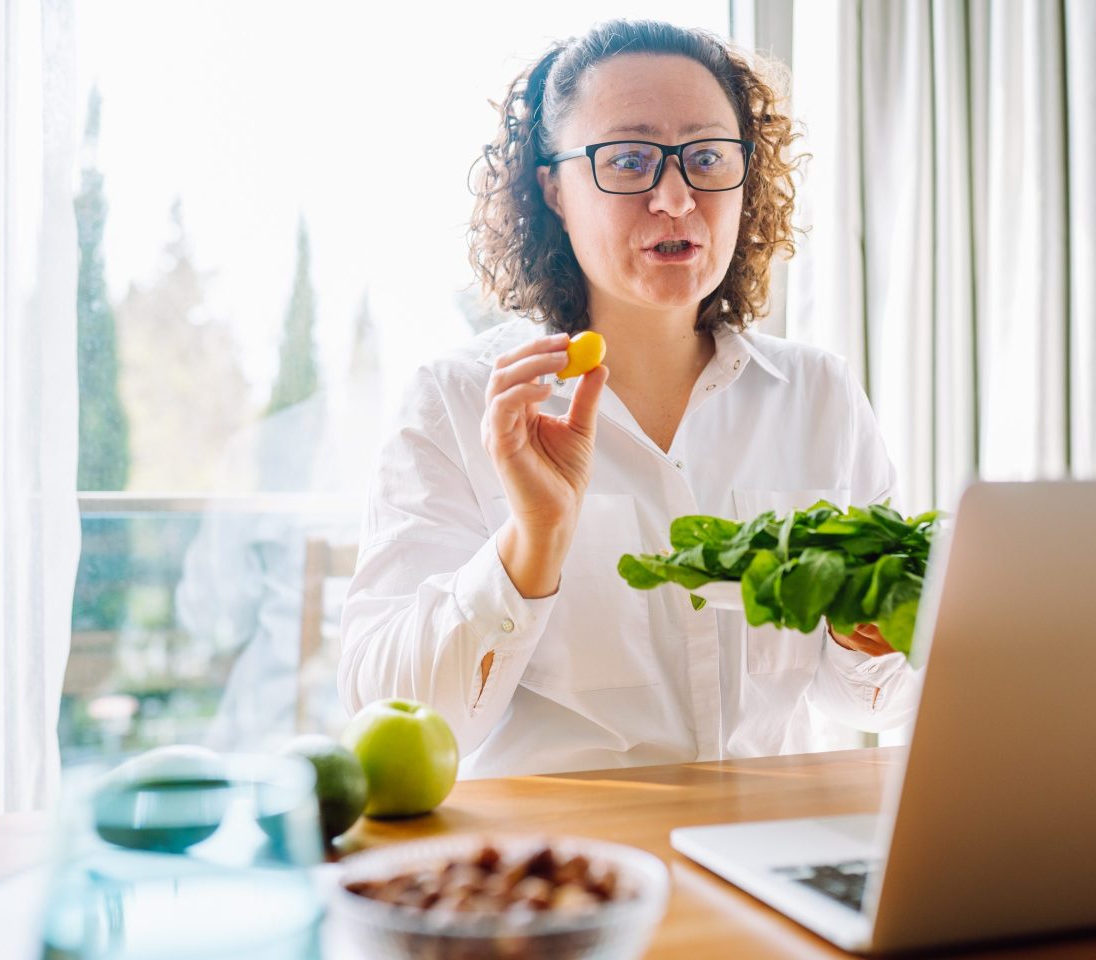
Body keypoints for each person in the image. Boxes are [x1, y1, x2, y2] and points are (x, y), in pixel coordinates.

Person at [337, 19, 920, 778]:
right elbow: (391, 709)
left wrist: (867, 625)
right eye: (630, 160)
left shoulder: (820, 394)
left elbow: (875, 704)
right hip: (559, 868)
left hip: (765, 847)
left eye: (708, 157)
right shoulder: (456, 401)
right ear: (552, 187)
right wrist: (532, 542)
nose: (675, 199)